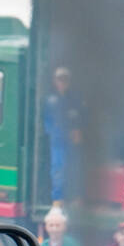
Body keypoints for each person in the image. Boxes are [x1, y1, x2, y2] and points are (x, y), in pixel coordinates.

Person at [42, 66, 85, 205]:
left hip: (72, 139)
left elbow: (79, 117)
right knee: (58, 169)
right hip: (57, 140)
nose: (62, 82)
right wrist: (52, 132)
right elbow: (46, 120)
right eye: (59, 79)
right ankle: (58, 198)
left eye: (65, 79)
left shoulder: (75, 99)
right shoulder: (50, 100)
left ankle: (75, 196)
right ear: (55, 81)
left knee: (74, 168)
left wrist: (78, 130)